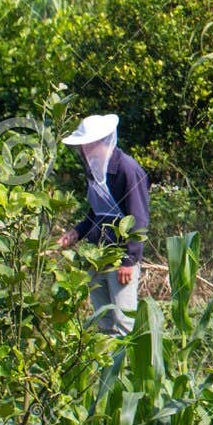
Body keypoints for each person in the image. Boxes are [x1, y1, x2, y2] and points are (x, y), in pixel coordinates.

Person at [56, 114, 149, 337]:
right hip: (96, 256)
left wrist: (129, 260)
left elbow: (139, 217)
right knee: (103, 322)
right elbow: (96, 214)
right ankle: (108, 371)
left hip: (120, 260)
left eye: (85, 144)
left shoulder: (127, 169)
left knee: (124, 322)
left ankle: (128, 370)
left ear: (100, 142)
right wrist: (76, 233)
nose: (81, 150)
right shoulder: (94, 171)